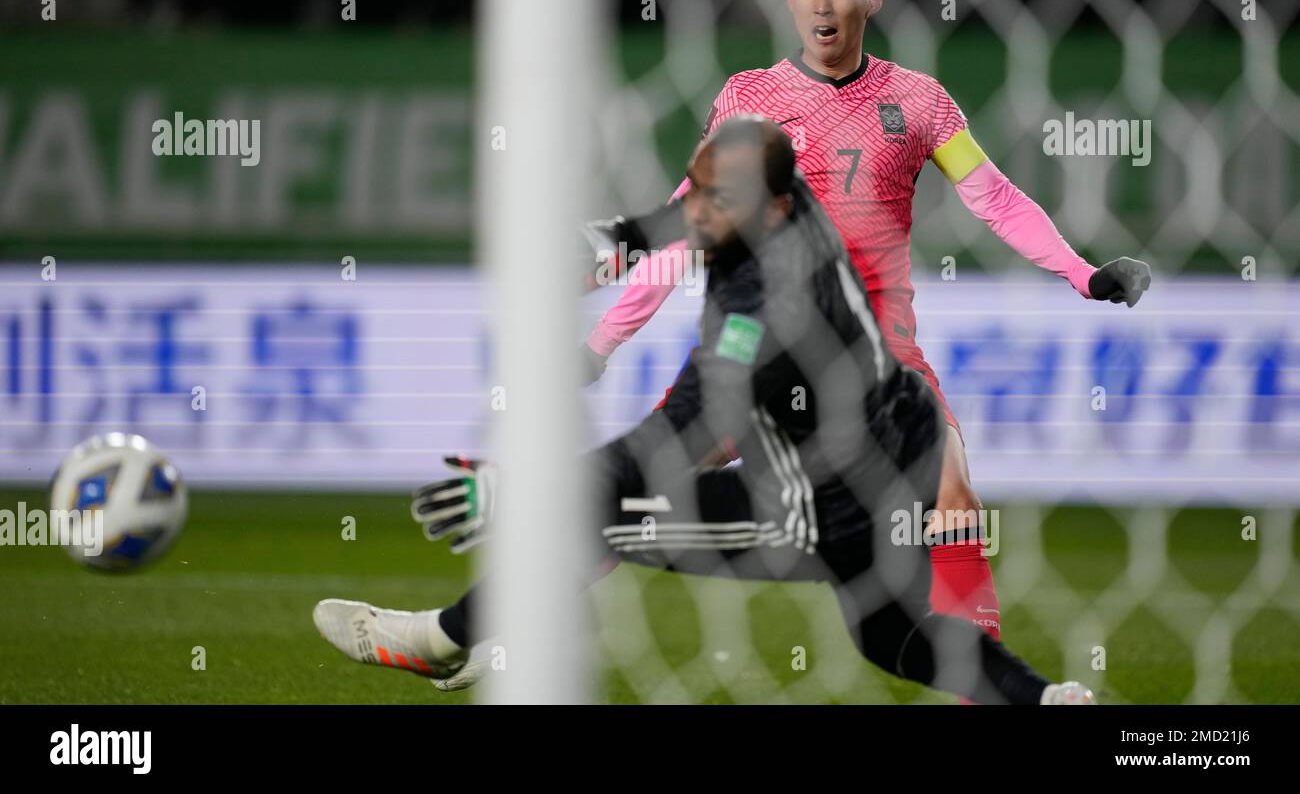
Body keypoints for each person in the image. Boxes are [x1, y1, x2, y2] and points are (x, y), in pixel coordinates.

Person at [313, 115, 1095, 704]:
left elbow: (671, 437)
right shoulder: (791, 209)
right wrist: (604, 244)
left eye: (718, 196)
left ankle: (440, 641)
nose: (699, 207)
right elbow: (675, 223)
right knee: (889, 636)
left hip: (817, 504)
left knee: (587, 509)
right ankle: (1043, 700)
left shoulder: (762, 312)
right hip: (903, 443)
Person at [578, 0, 1151, 649]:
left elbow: (996, 199)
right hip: (761, 348)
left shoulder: (919, 102)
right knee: (642, 490)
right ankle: (490, 627)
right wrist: (600, 344)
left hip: (885, 357)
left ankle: (986, 691)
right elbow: (681, 230)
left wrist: (1083, 274)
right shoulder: (749, 101)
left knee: (952, 496)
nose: (822, 5)